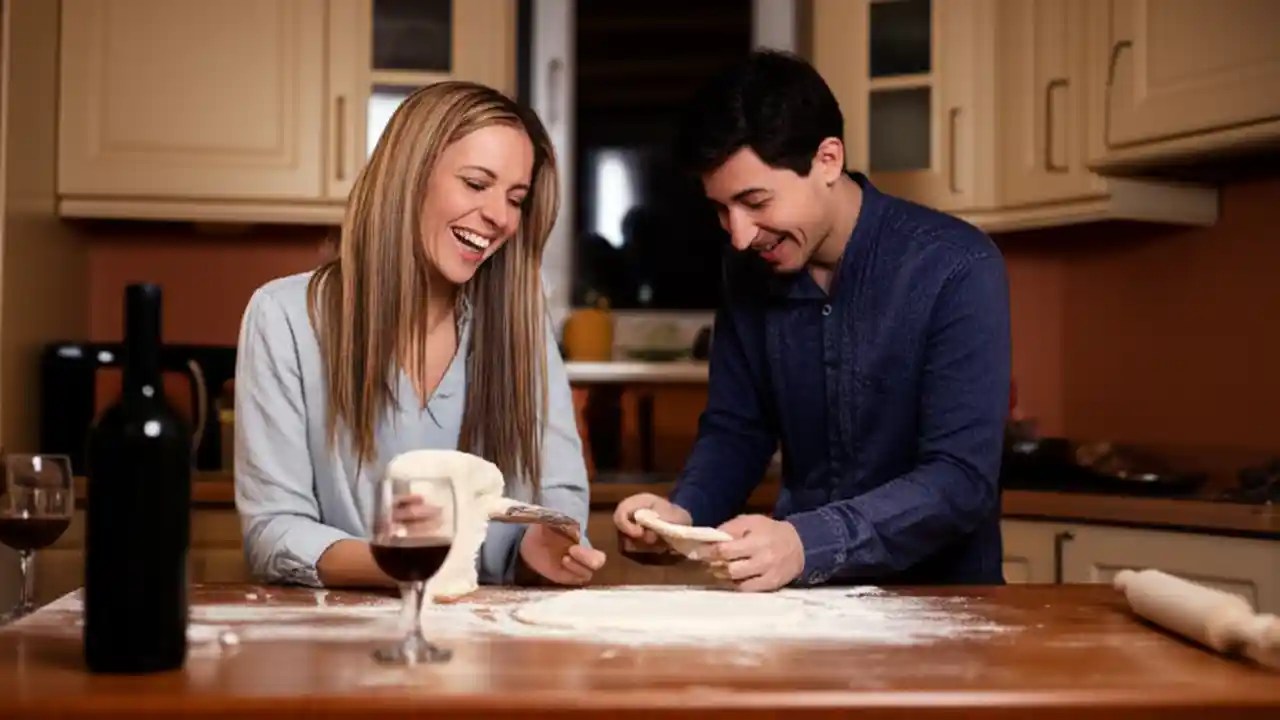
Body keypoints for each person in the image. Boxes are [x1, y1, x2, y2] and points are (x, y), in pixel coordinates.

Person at [614, 50, 1011, 591]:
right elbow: (738, 431)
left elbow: (960, 481)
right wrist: (682, 516)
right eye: (721, 209)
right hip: (806, 606)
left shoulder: (957, 266)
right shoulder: (746, 272)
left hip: (945, 608)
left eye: (755, 201)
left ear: (827, 160)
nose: (740, 235)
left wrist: (807, 543)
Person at [234, 81, 606, 589]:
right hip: (342, 645)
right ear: (408, 177)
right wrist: (407, 567)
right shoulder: (284, 317)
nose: (500, 217)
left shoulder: (522, 325)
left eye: (515, 198)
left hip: (492, 647)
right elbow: (272, 528)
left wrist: (545, 546)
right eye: (477, 184)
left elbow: (558, 495)